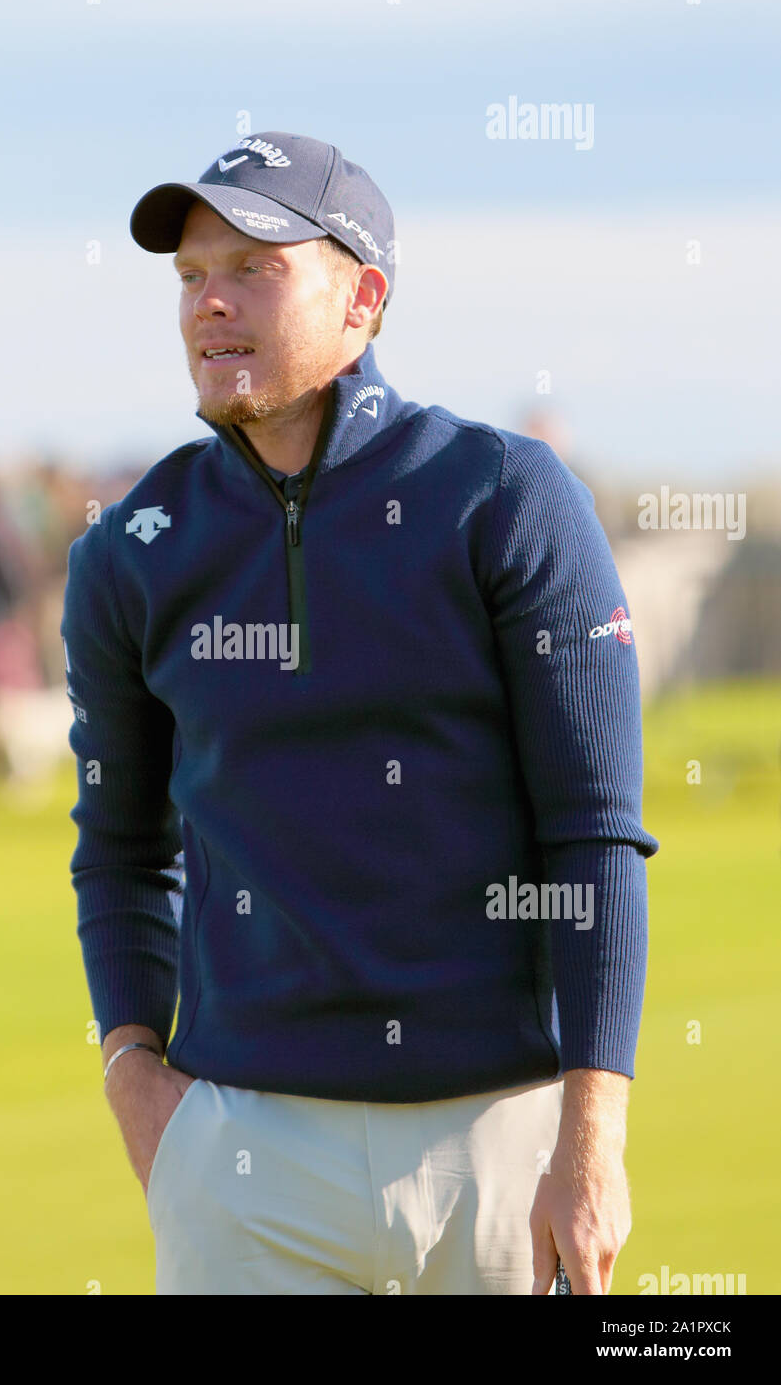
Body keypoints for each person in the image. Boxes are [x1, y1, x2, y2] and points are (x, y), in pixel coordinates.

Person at [61, 130, 659, 1295]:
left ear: (362, 298)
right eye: (190, 276)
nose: (209, 305)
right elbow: (121, 852)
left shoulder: (502, 498)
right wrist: (135, 1077)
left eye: (254, 268)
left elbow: (590, 835)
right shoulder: (130, 549)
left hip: (496, 1147)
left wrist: (589, 1145)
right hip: (238, 1161)